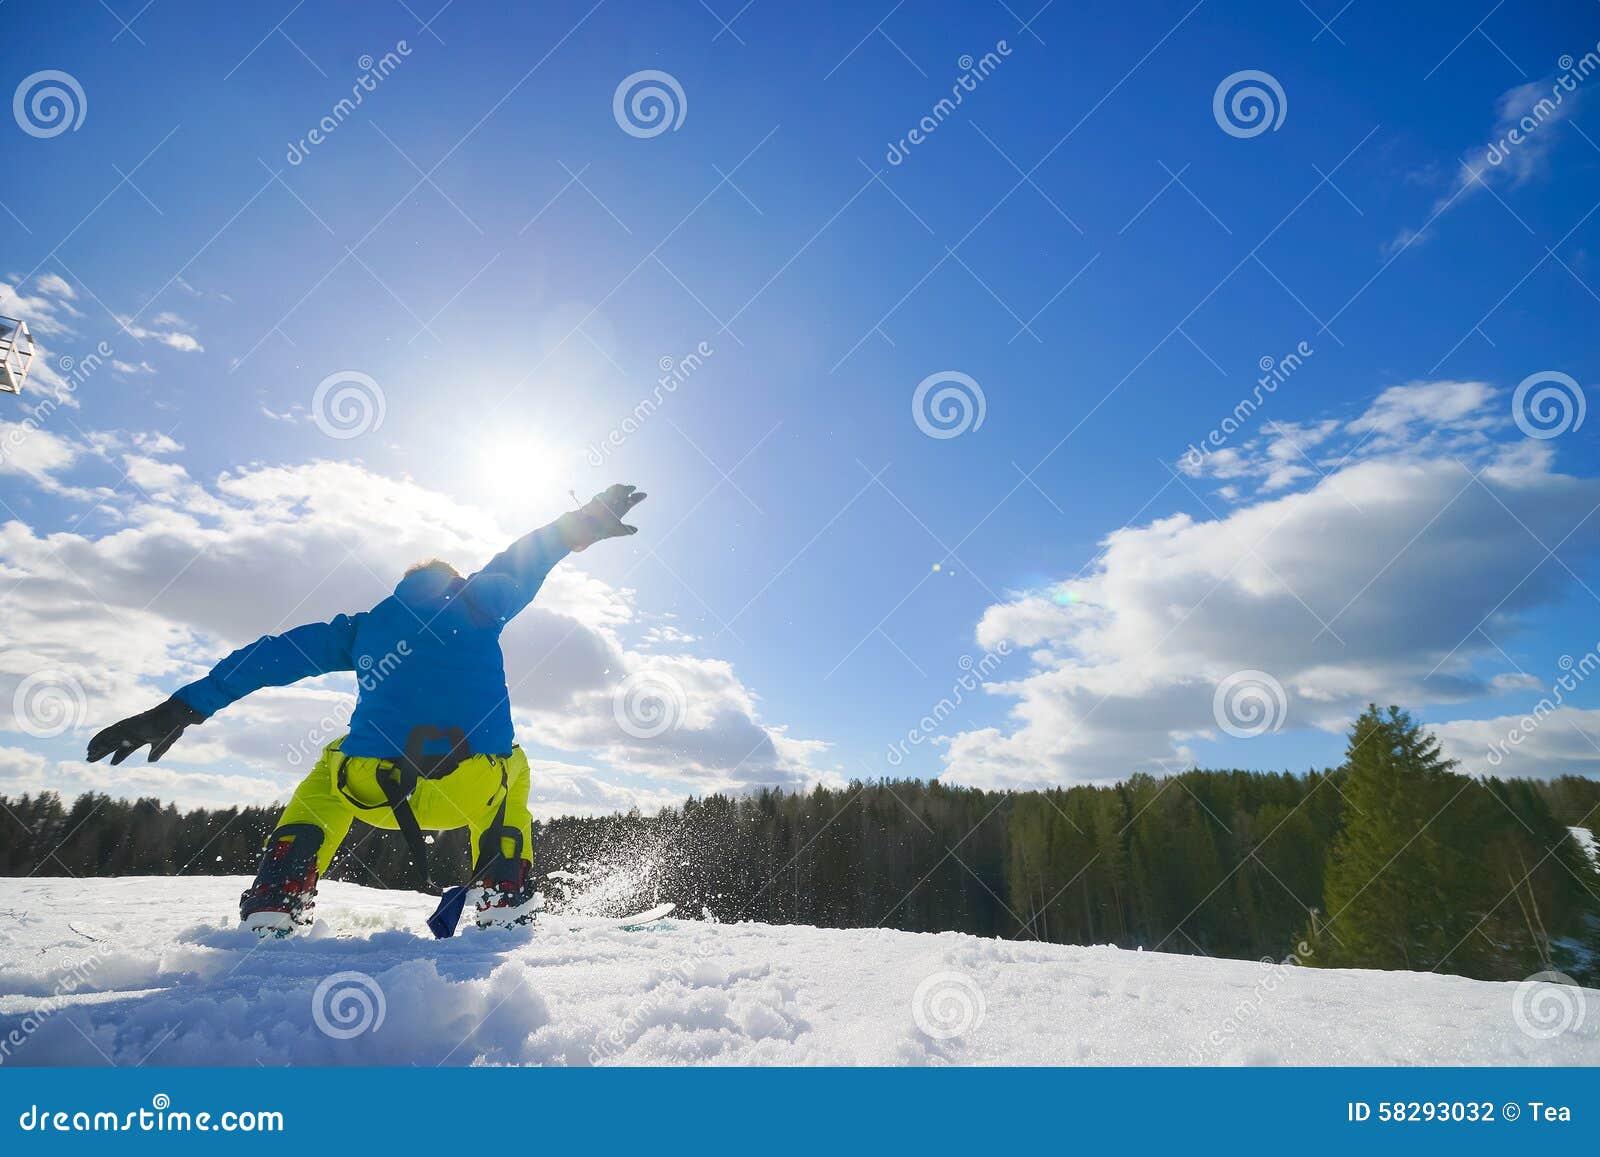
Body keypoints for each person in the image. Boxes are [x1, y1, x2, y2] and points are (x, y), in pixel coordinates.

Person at [86, 484, 648, 936]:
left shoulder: (366, 626)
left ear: (403, 587)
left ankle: (280, 892)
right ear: (454, 578)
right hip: (470, 786)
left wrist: (182, 706)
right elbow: (526, 557)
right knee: (515, 766)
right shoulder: (481, 599)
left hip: (376, 790)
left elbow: (273, 656)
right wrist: (586, 521)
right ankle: (503, 889)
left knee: (329, 769)